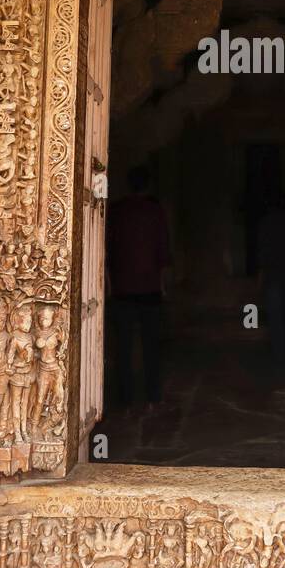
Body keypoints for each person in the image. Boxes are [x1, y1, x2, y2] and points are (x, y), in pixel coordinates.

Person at [107, 165, 171, 410]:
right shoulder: (155, 212)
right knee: (151, 345)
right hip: (150, 289)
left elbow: (107, 250)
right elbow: (162, 252)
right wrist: (163, 286)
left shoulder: (116, 211)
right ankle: (153, 395)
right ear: (148, 185)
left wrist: (108, 285)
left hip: (121, 288)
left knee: (123, 346)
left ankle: (125, 397)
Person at [257, 185, 285, 369]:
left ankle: (280, 355)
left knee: (277, 317)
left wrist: (259, 281)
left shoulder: (266, 224)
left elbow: (263, 255)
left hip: (275, 275)